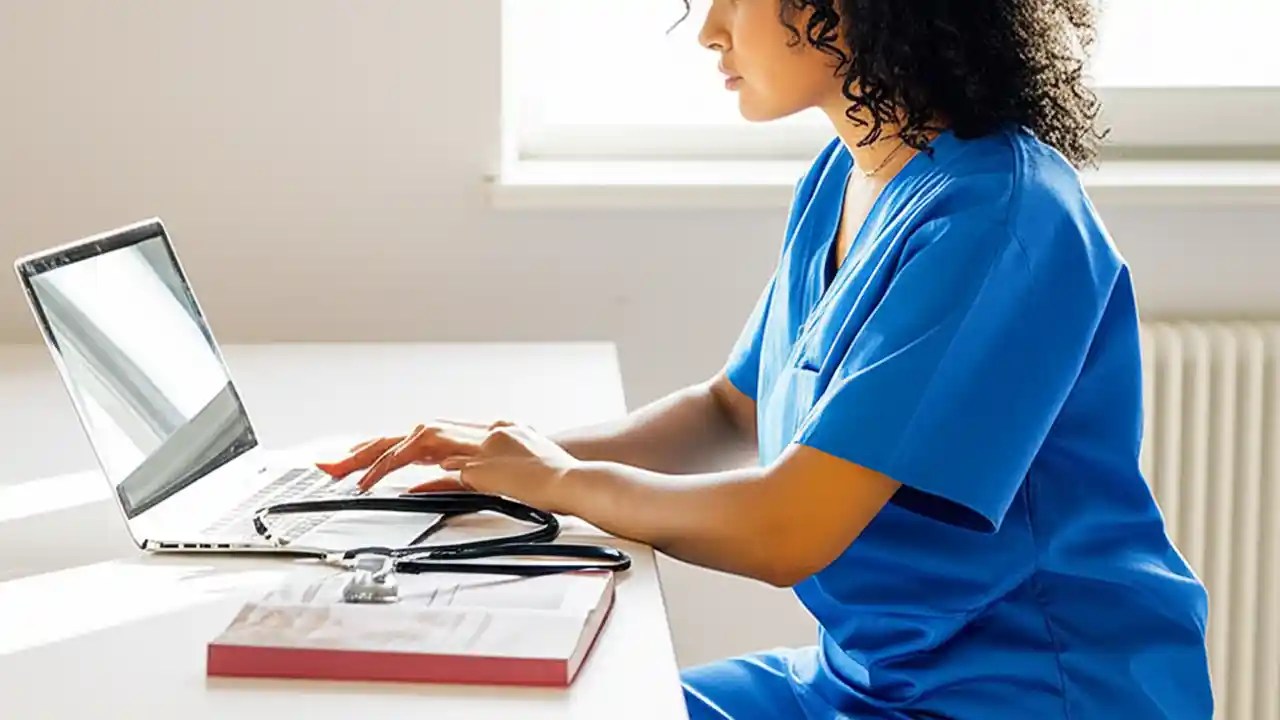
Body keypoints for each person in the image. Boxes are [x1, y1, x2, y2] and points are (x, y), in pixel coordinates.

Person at [317, 0, 1213, 717]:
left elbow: (788, 530)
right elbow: (728, 411)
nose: (708, 29)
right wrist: (494, 463)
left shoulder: (1005, 217)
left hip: (1028, 695)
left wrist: (557, 482)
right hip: (861, 682)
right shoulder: (846, 174)